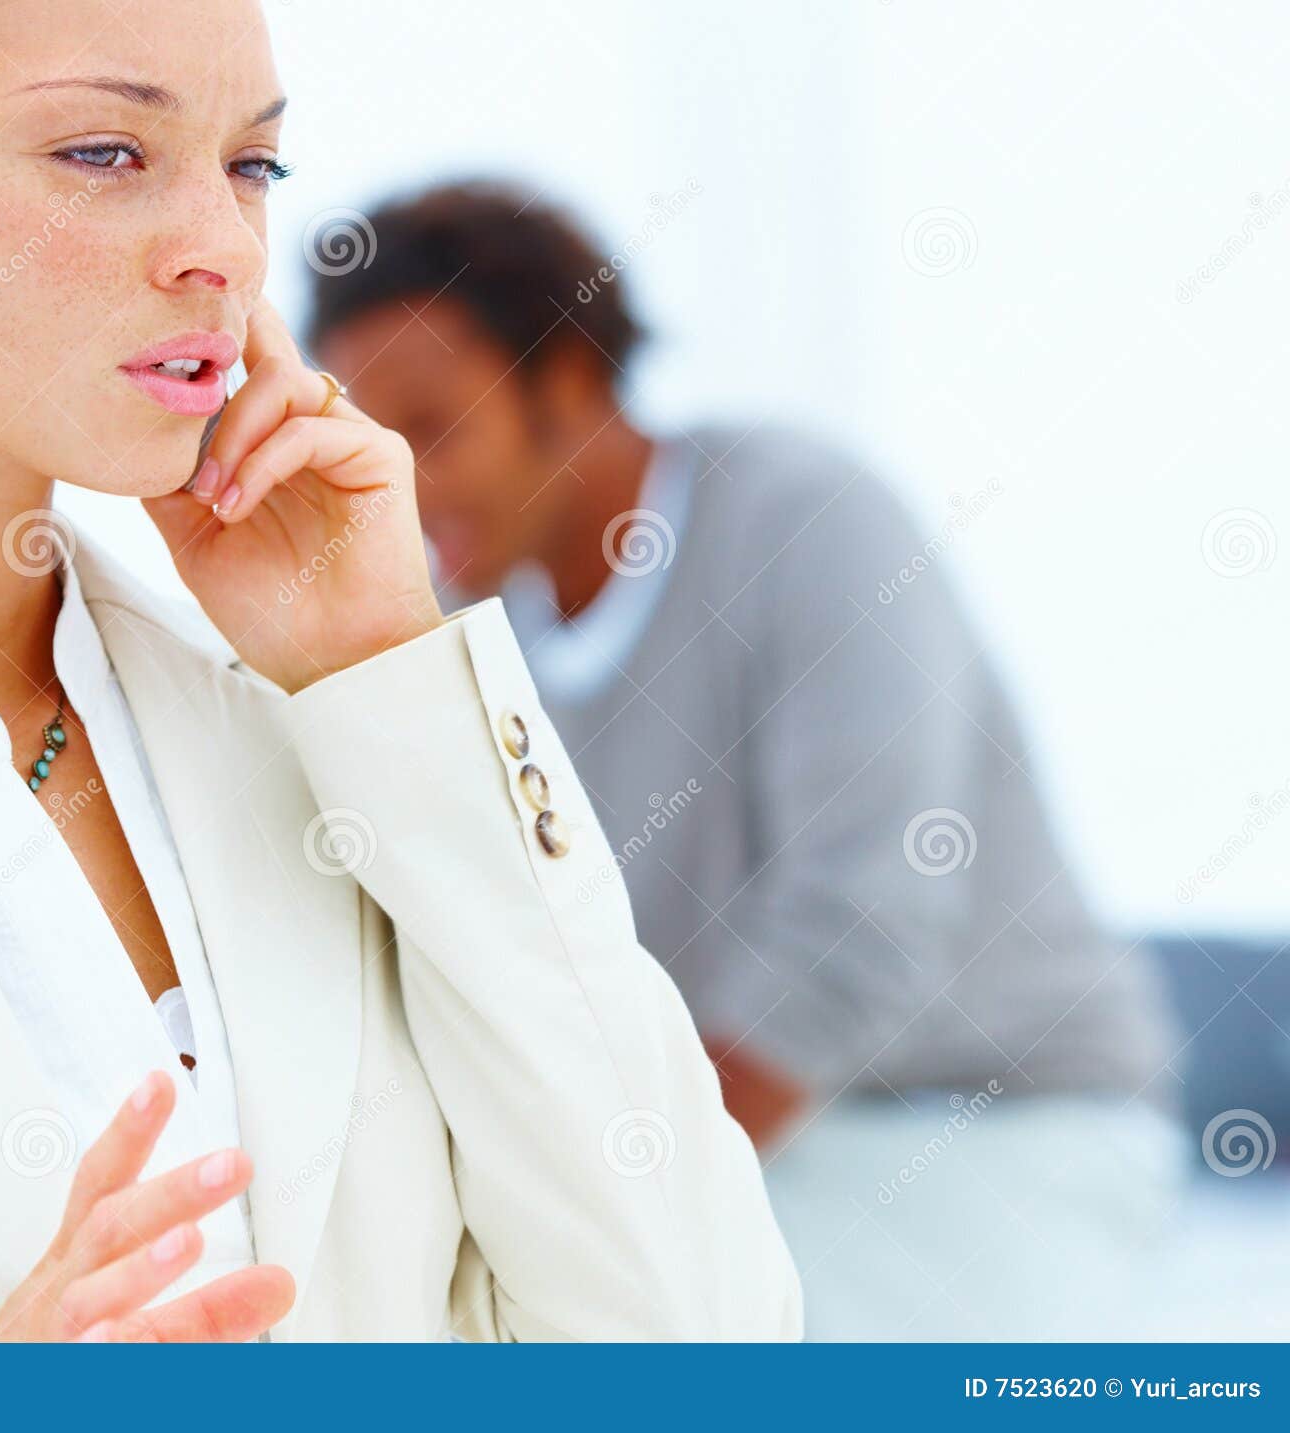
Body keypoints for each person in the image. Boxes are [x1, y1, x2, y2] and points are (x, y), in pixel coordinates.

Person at [0, 5, 801, 1342]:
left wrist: (388, 671)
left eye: (251, 167)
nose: (224, 249)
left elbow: (700, 1337)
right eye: (105, 153)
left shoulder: (322, 734)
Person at [308, 182, 1189, 1340]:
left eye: (433, 428)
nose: (407, 487)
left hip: (991, 1123)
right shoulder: (480, 630)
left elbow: (863, 923)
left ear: (568, 381)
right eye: (373, 441)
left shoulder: (807, 519)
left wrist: (625, 1193)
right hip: (742, 1155)